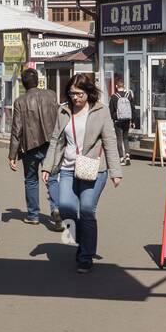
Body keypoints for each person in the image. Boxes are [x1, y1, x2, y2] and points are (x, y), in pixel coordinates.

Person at [41, 73, 123, 274]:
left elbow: (110, 141)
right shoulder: (64, 111)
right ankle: (83, 238)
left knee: (87, 209)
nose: (75, 98)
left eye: (79, 94)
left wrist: (115, 171)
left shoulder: (101, 111)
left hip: (93, 168)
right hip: (68, 169)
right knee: (65, 207)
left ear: (88, 92)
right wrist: (47, 166)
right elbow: (55, 140)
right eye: (71, 94)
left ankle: (85, 256)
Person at [8, 67, 63, 228]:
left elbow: (16, 129)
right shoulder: (51, 95)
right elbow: (60, 119)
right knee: (52, 179)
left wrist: (12, 155)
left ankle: (33, 215)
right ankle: (56, 209)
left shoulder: (20, 101)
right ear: (38, 81)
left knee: (31, 180)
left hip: (30, 146)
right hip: (50, 145)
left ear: (24, 84)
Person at [108, 76, 136, 165]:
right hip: (127, 120)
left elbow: (111, 110)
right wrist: (133, 121)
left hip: (118, 121)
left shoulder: (114, 97)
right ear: (123, 86)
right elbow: (133, 109)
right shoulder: (129, 96)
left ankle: (121, 158)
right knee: (125, 138)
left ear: (116, 86)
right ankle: (127, 155)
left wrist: (113, 118)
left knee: (119, 139)